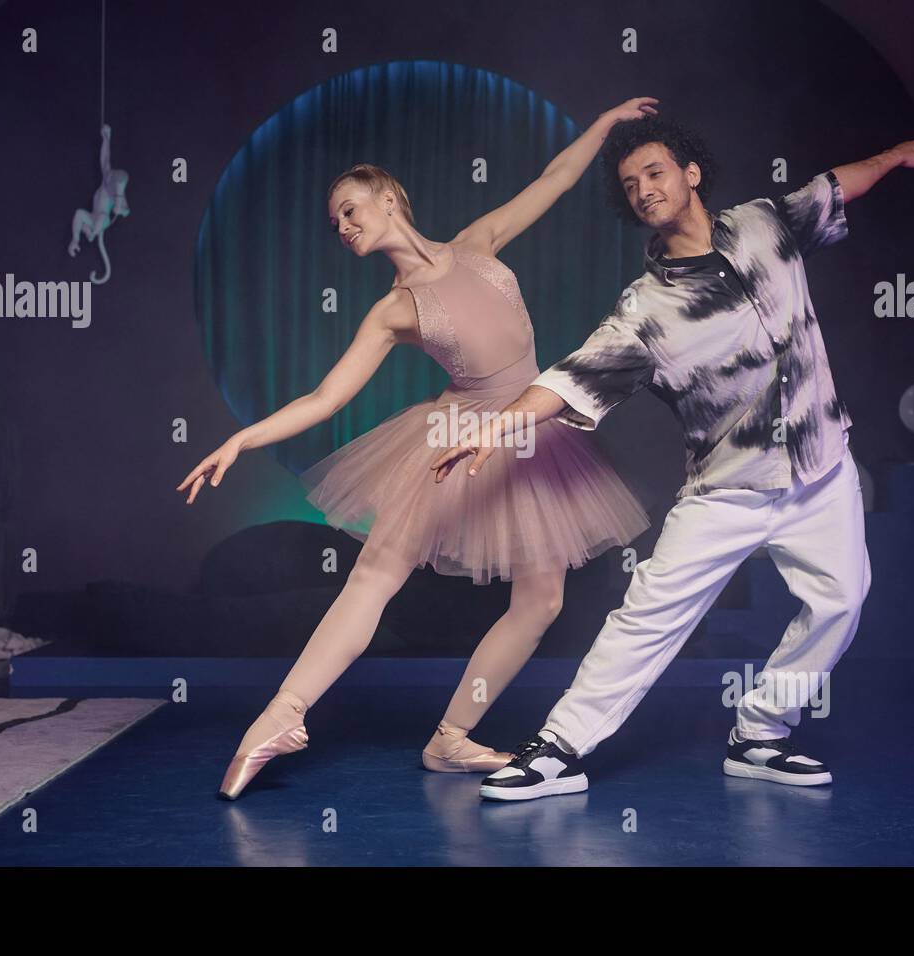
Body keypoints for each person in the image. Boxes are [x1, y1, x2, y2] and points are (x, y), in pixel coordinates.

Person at [430, 115, 914, 800]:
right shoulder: (646, 309)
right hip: (726, 492)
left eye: (655, 172)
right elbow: (568, 376)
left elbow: (834, 188)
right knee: (646, 619)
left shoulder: (764, 224)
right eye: (630, 185)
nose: (643, 190)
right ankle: (558, 751)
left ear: (691, 173)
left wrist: (891, 152)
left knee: (842, 601)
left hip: (821, 471)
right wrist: (494, 426)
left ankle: (759, 733)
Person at [177, 98, 662, 800]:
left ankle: (450, 738)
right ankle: (278, 717)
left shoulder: (478, 243)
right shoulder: (393, 310)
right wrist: (240, 439)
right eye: (335, 221)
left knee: (543, 600)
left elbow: (556, 178)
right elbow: (323, 399)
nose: (342, 227)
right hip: (453, 438)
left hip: (533, 427)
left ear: (389, 199)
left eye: (350, 209)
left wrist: (606, 123)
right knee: (376, 573)